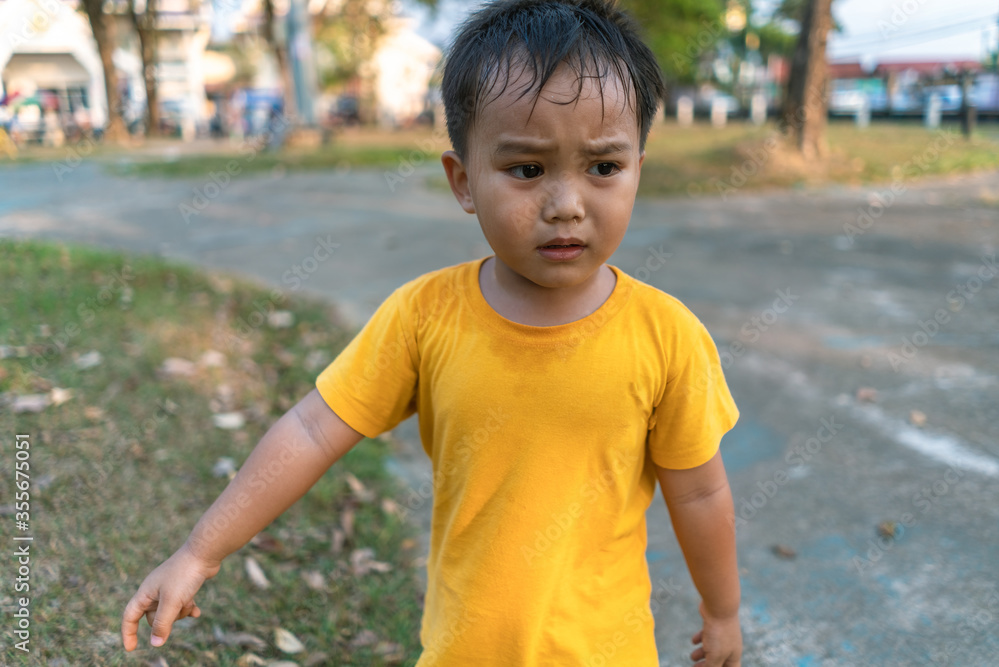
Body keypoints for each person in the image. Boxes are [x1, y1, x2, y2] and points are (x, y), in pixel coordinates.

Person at [120, 1, 743, 665]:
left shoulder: (666, 336)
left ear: (637, 169)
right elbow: (309, 431)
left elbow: (700, 489)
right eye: (528, 170)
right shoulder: (425, 316)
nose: (567, 204)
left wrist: (723, 610)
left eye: (603, 167)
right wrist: (200, 550)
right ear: (463, 181)